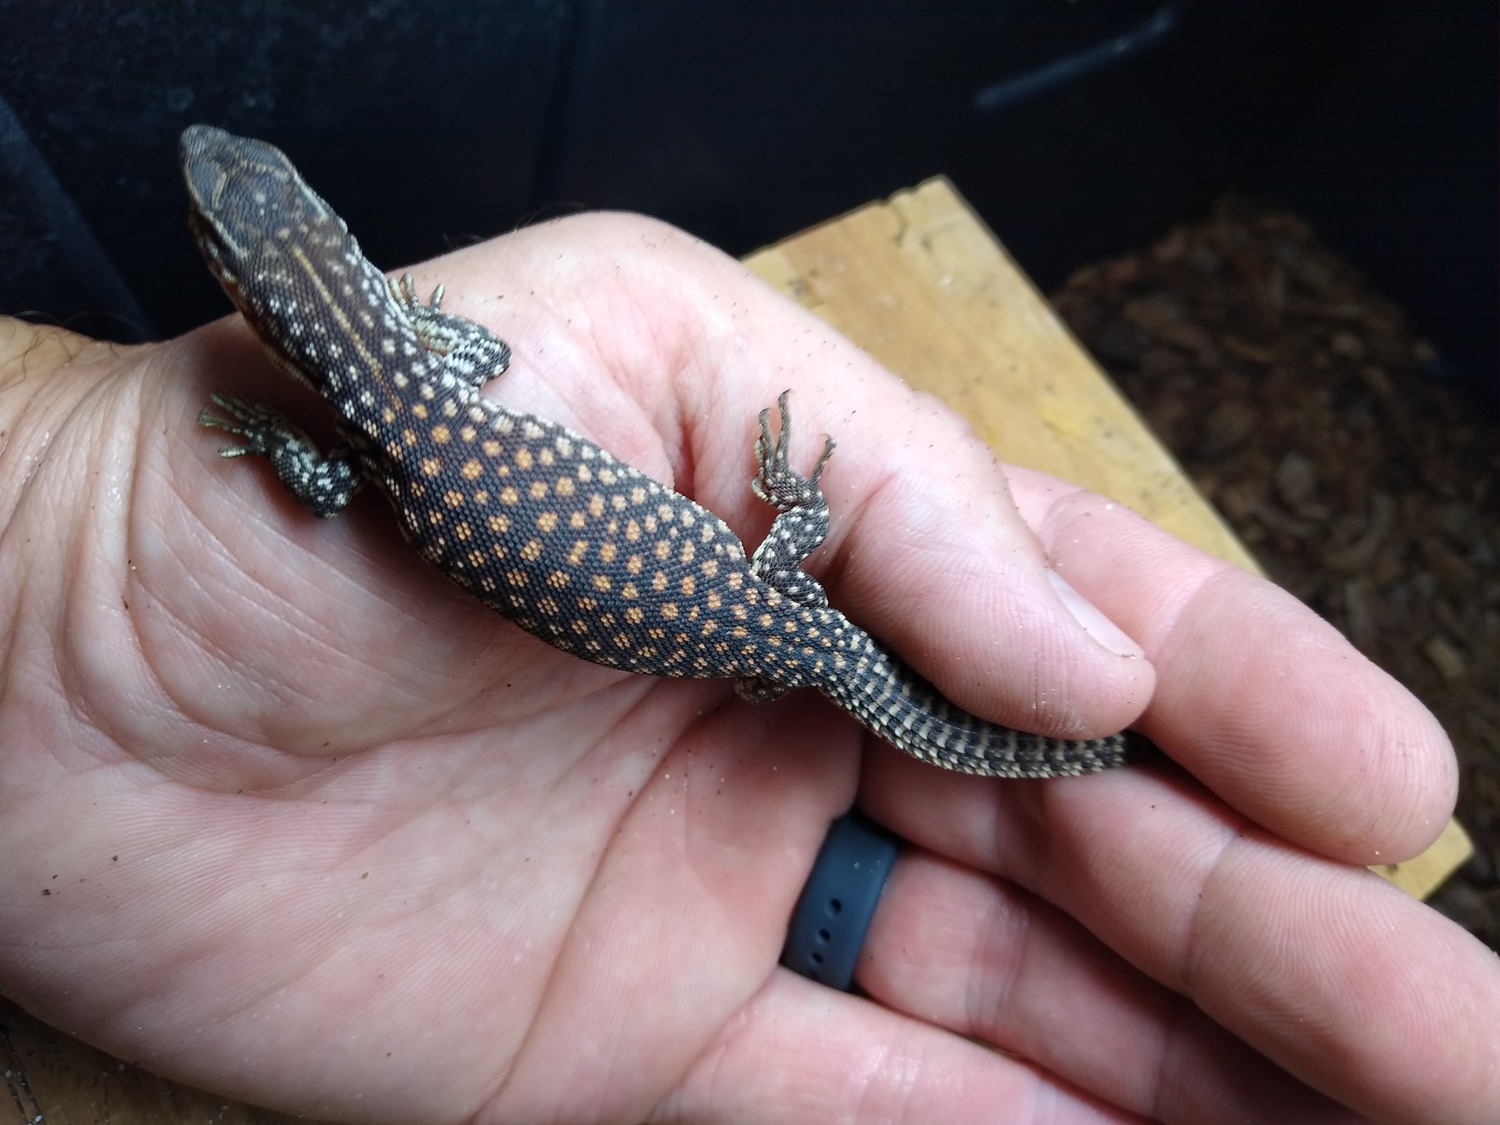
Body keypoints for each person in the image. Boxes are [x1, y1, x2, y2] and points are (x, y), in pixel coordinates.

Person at [0, 211, 1494, 1124]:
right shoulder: (426, 375)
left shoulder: (367, 441)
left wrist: (246, 444)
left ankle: (1106, 744)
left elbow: (322, 488)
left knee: (1000, 722)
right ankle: (1091, 739)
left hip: (748, 636)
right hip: (744, 625)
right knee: (947, 707)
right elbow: (419, 403)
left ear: (286, 292)